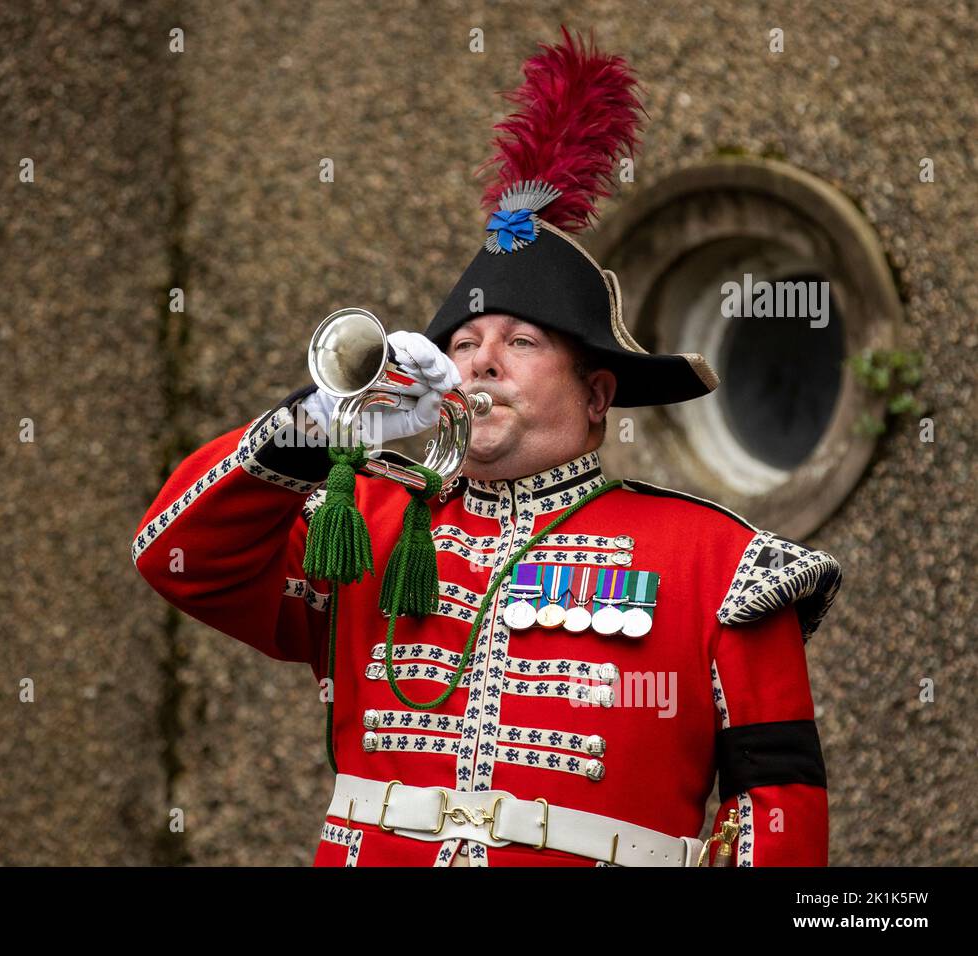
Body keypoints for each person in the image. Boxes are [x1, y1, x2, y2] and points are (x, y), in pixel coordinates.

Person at [132, 28, 841, 867]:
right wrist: (322, 426)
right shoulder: (361, 519)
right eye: (464, 342)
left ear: (596, 396)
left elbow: (778, 809)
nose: (481, 362)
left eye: (523, 342)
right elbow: (175, 556)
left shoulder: (717, 561)